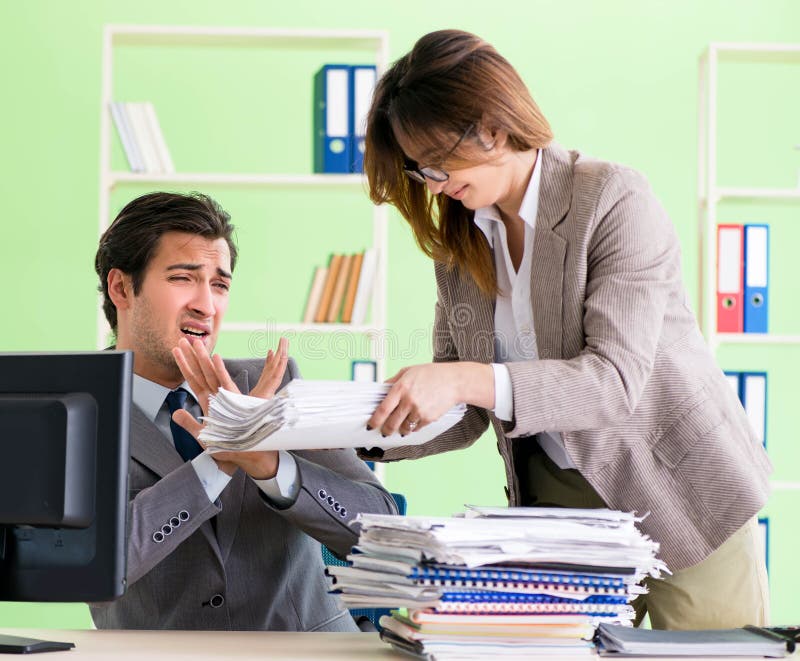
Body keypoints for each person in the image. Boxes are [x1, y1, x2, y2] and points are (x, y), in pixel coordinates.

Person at [360, 29, 771, 630]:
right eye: (420, 169)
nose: (434, 183)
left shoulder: (611, 198)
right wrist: (339, 431)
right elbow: (467, 410)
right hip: (559, 502)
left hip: (681, 484)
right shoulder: (460, 242)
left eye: (438, 161)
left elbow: (612, 383)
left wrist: (462, 379)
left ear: (493, 129)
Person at [90, 191, 397, 631]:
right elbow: (94, 564)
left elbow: (382, 536)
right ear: (122, 288)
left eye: (220, 284)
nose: (207, 305)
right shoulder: (77, 409)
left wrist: (270, 465)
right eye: (183, 278)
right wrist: (217, 462)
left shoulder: (273, 384)